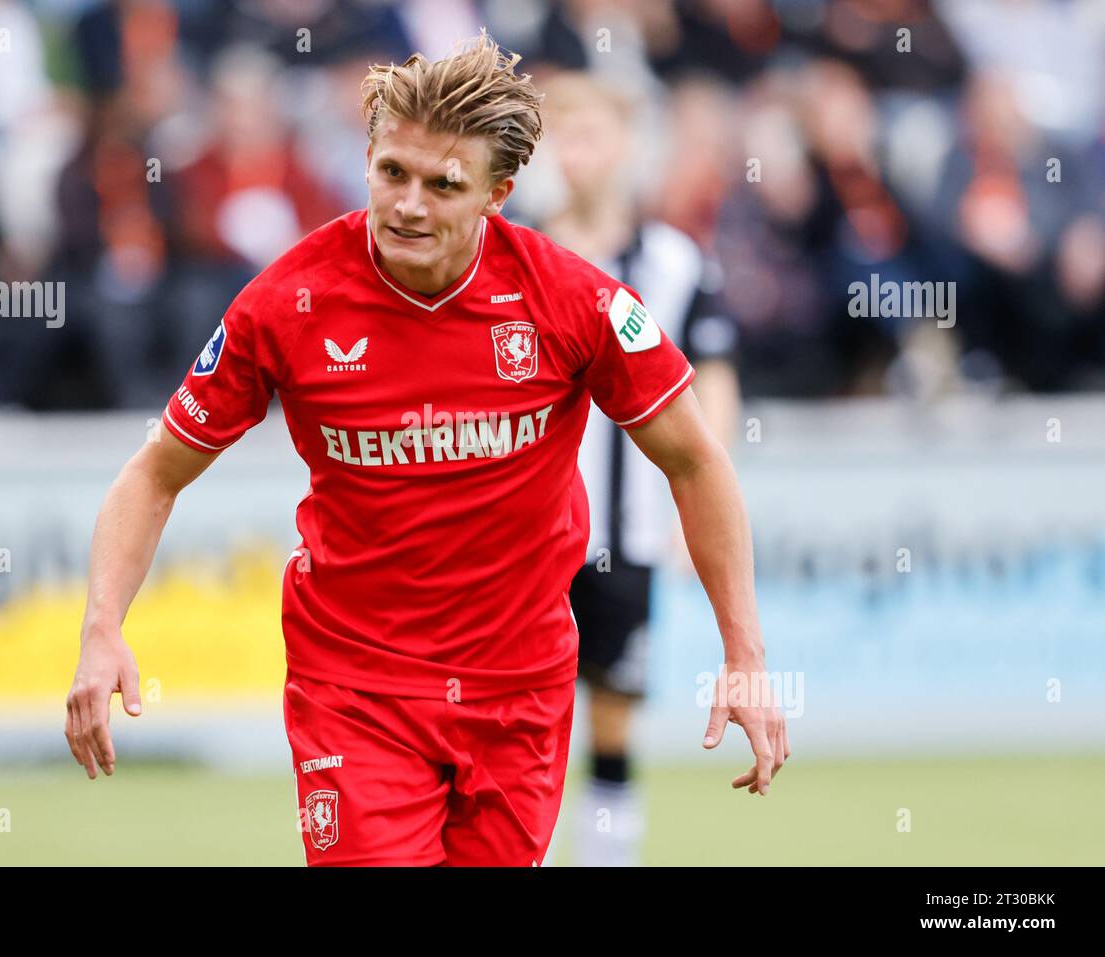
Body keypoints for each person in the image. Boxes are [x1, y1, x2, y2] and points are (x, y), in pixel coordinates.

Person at [64, 31, 788, 867]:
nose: (408, 205)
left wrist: (744, 654)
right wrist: (102, 628)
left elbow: (696, 460)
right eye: (392, 173)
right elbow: (155, 471)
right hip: (356, 690)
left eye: (443, 185)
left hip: (519, 694)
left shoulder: (574, 300)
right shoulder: (288, 303)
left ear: (498, 193)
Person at [534, 73, 742, 866]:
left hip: (627, 532)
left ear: (625, 147)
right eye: (564, 136)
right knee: (523, 715)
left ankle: (606, 859)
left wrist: (701, 501)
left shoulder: (672, 262)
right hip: (527, 532)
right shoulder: (518, 251)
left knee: (614, 715)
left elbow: (712, 382)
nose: (576, 154)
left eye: (592, 134)